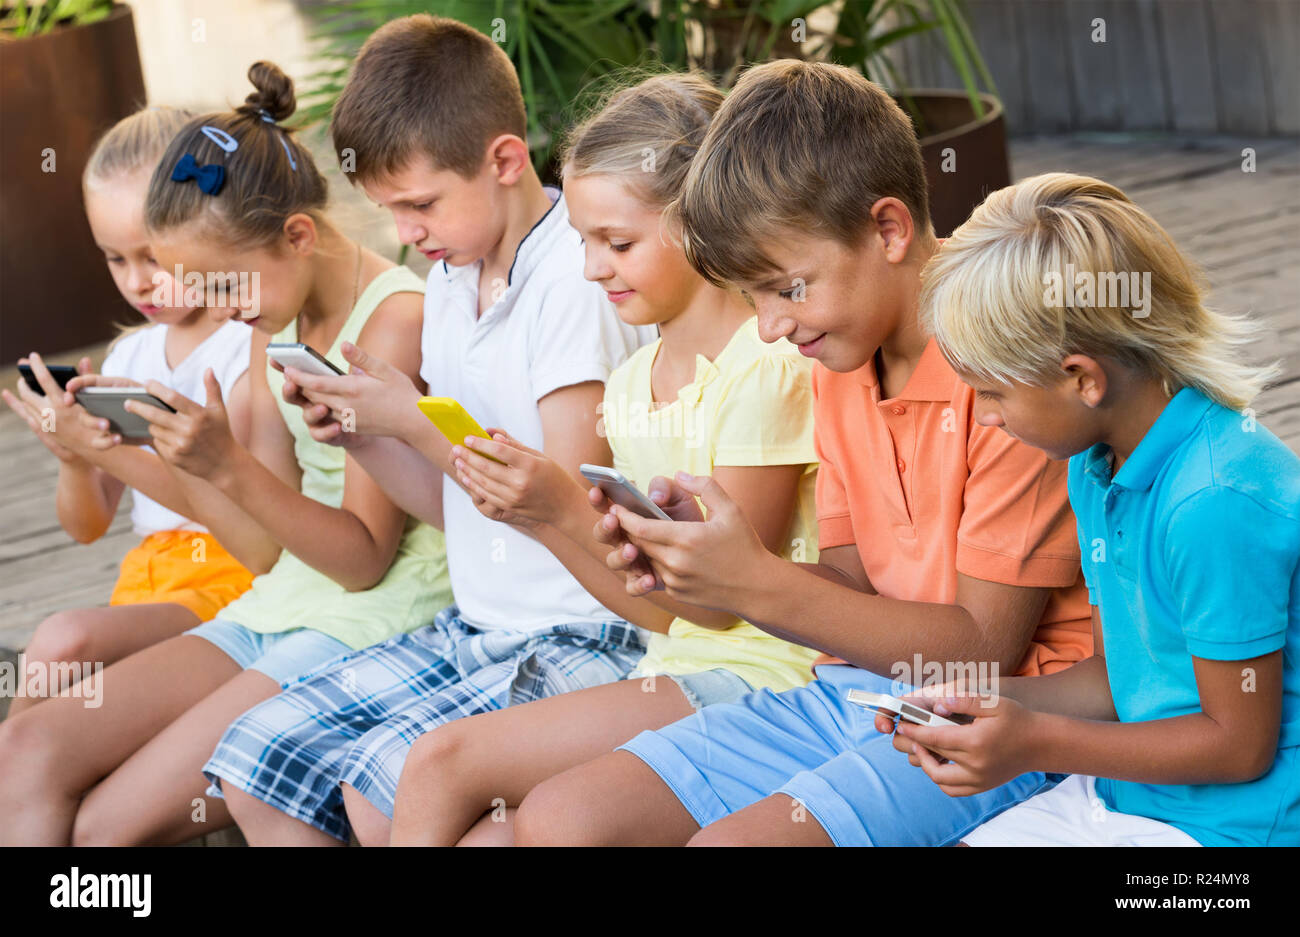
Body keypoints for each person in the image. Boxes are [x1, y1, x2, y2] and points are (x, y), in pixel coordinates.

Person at [513, 60, 1093, 847]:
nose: (770, 327)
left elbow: (983, 648)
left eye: (784, 288)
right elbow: (851, 583)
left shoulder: (1003, 371)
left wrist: (755, 581)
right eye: (752, 295)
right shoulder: (840, 356)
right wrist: (713, 560)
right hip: (856, 693)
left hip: (994, 714)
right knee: (559, 819)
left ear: (887, 230)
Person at [203, 15, 654, 846]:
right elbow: (455, 506)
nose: (406, 232)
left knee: (381, 797)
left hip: (584, 628)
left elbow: (567, 500)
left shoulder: (575, 281)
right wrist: (367, 435)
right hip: (479, 626)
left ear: (506, 161)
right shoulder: (447, 276)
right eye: (390, 210)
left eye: (419, 205)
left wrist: (412, 419)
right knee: (253, 762)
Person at [0, 62, 451, 846]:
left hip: (366, 620)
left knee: (106, 828)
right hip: (277, 604)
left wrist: (225, 465)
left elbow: (361, 560)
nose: (218, 306)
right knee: (27, 745)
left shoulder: (390, 323)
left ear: (298, 236)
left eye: (220, 282)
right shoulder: (267, 322)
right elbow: (267, 553)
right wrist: (199, 463)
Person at [387, 71, 822, 846]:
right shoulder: (629, 381)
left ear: (702, 221)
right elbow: (656, 608)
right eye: (583, 242)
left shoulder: (767, 366)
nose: (592, 269)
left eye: (616, 243)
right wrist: (549, 517)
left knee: (440, 761)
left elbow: (731, 606)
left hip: (764, 676)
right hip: (671, 657)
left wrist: (556, 507)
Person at [881, 172, 1298, 847]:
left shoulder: (1215, 501)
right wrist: (975, 703)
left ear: (1083, 379)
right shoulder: (1096, 463)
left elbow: (1238, 746)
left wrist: (1035, 741)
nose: (983, 418)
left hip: (1236, 831)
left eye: (991, 393)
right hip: (1125, 798)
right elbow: (1115, 678)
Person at [3, 106, 253, 716]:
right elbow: (87, 527)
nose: (138, 282)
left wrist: (103, 447)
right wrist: (74, 460)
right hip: (145, 582)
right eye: (115, 259)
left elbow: (231, 504)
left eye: (153, 256)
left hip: (233, 578)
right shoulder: (131, 353)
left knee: (63, 643)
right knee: (60, 688)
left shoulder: (247, 343)